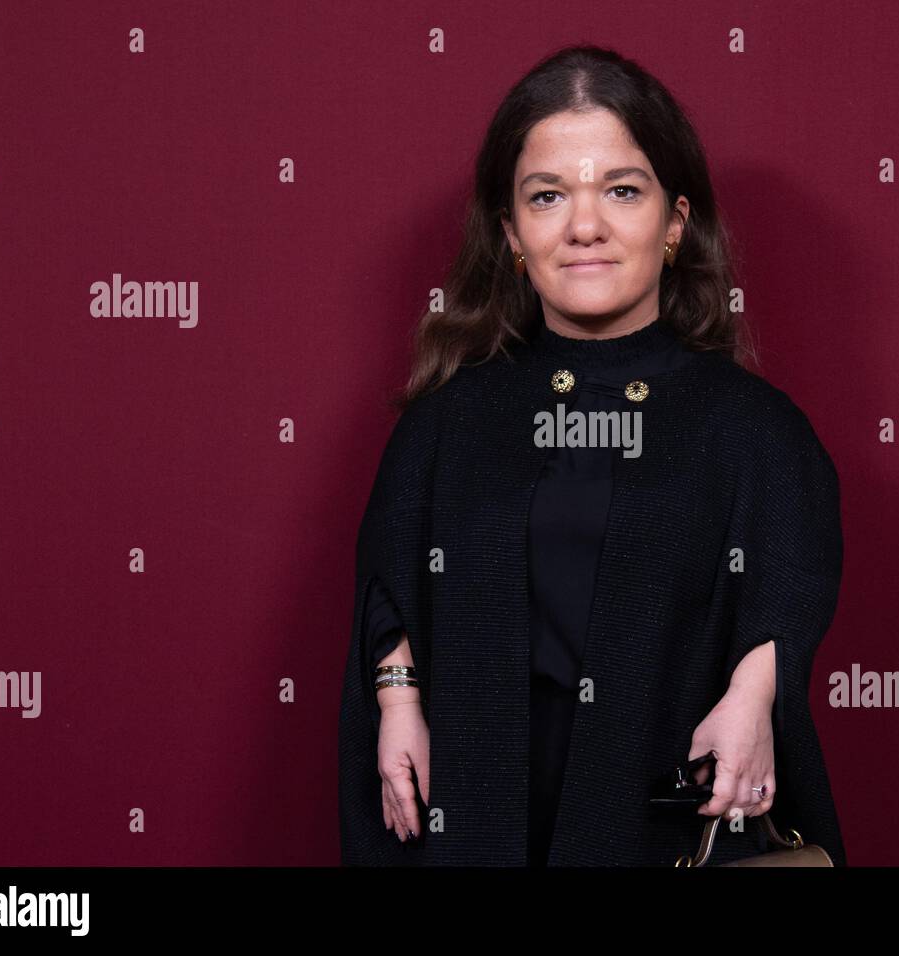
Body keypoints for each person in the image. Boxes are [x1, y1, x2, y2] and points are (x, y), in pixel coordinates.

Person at [338, 44, 846, 867]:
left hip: (661, 821)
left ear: (675, 221)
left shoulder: (752, 428)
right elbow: (389, 578)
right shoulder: (449, 418)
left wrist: (757, 699)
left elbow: (790, 580)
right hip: (476, 811)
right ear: (510, 233)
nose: (584, 226)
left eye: (621, 189)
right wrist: (397, 701)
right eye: (548, 197)